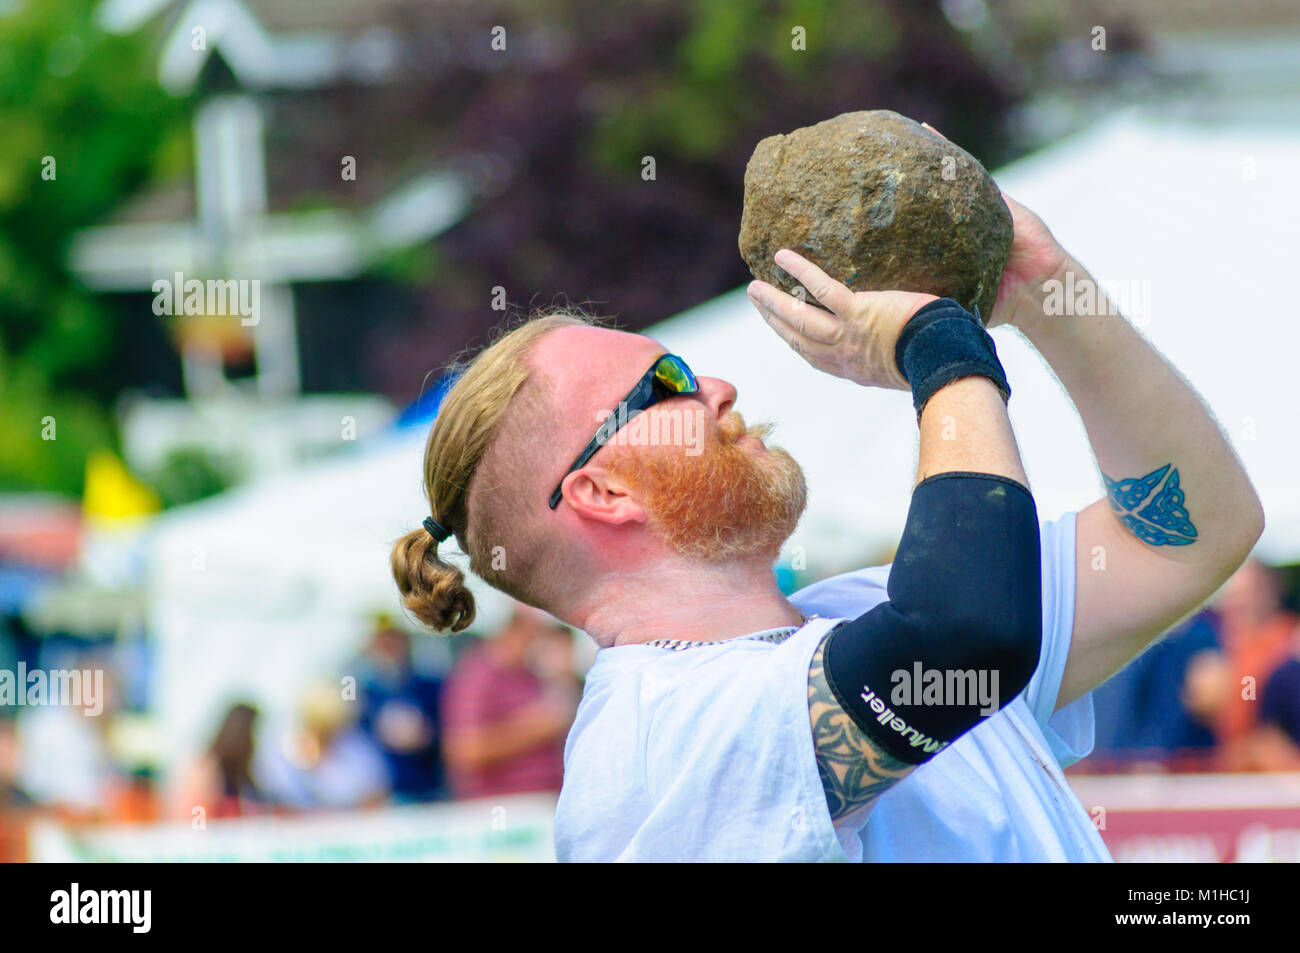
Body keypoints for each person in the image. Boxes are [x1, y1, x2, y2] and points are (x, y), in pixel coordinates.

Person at [390, 145, 1262, 861]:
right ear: (601, 490)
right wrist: (945, 353)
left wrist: (1043, 293)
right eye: (668, 384)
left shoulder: (856, 614)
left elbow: (1193, 535)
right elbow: (966, 633)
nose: (721, 389)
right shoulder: (658, 739)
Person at [439, 604, 576, 800]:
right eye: (534, 633)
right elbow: (465, 750)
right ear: (512, 630)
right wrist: (538, 726)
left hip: (543, 803)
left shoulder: (533, 673)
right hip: (504, 810)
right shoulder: (477, 677)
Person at [354, 621, 446, 801]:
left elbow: (449, 733)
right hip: (387, 794)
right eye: (384, 643)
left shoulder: (430, 686)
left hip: (431, 788)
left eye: (394, 641)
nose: (390, 649)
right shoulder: (364, 695)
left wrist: (427, 735)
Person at [170, 702, 264, 820]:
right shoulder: (205, 769)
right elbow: (195, 821)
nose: (255, 743)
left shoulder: (239, 773)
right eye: (253, 734)